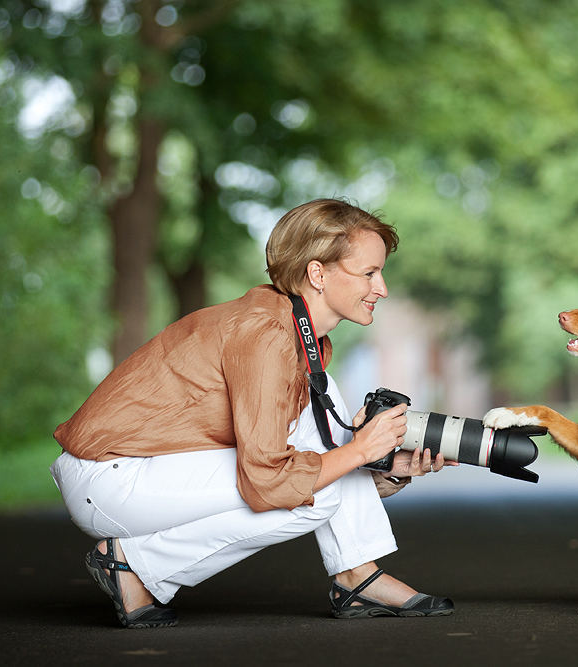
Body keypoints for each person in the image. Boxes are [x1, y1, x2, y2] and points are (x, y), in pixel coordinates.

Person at [50, 198, 456, 628]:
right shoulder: (265, 335)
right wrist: (357, 452)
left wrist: (378, 469)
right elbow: (267, 480)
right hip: (110, 476)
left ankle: (358, 575)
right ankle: (132, 562)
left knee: (328, 444)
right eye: (370, 273)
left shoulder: (297, 338)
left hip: (148, 470)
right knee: (316, 492)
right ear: (317, 273)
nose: (383, 288)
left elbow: (304, 460)